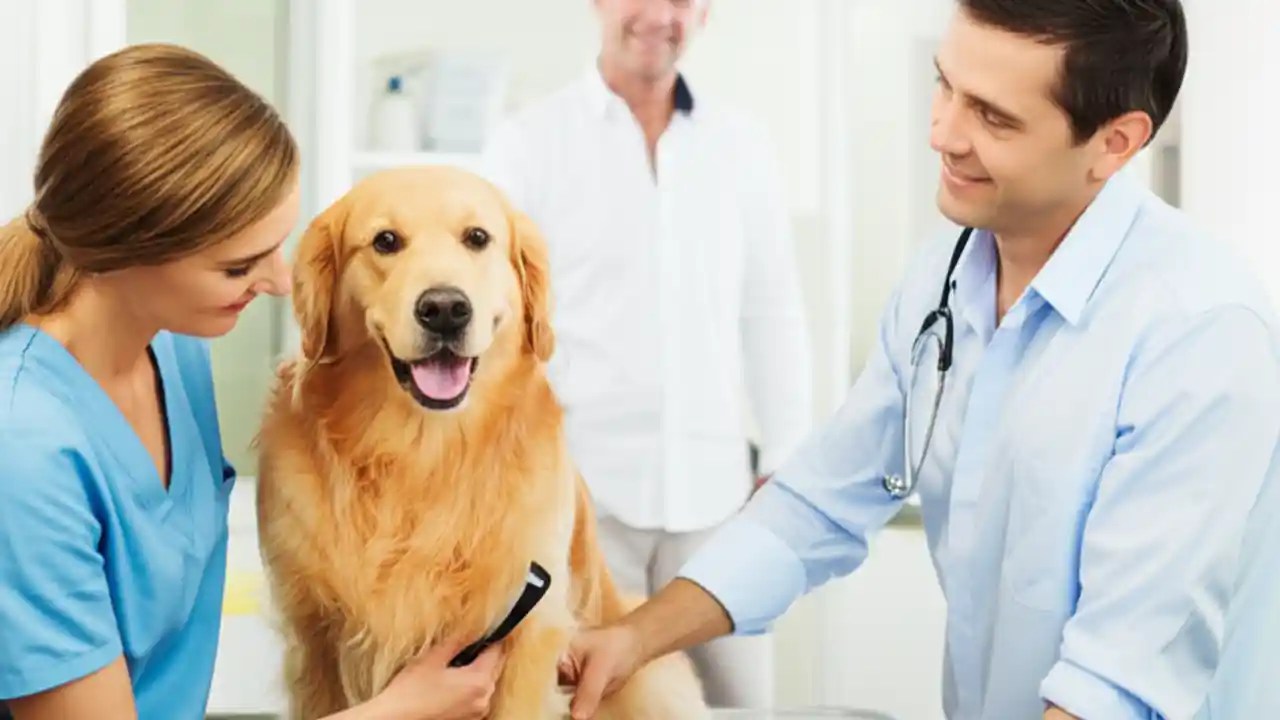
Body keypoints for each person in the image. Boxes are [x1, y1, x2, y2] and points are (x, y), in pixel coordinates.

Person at [558, 1, 1280, 719]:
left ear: (1113, 143)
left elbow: (1115, 683)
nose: (941, 133)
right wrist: (631, 639)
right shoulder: (944, 278)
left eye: (993, 117)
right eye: (945, 85)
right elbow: (817, 505)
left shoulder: (1200, 338)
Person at [0, 44, 503, 720]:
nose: (276, 282)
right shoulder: (24, 451)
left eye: (277, 244)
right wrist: (402, 709)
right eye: (239, 267)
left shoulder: (174, 347)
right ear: (125, 253)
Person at [480, 0, 813, 709]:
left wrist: (786, 454)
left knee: (745, 704)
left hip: (720, 502)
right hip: (579, 501)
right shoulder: (529, 143)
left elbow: (772, 306)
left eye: (683, 1)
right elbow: (500, 320)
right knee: (587, 702)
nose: (660, 14)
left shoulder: (740, 143)